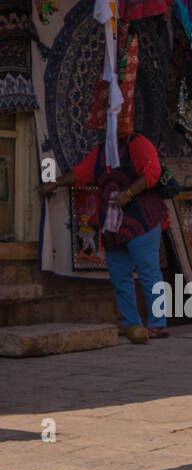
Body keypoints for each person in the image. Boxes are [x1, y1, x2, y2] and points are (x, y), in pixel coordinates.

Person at [36, 132, 170, 340]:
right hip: (113, 221)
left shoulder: (138, 143)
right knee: (119, 275)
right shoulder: (101, 152)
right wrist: (56, 183)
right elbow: (81, 173)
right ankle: (131, 323)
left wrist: (129, 193)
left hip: (143, 218)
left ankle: (158, 324)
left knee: (148, 272)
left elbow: (153, 172)